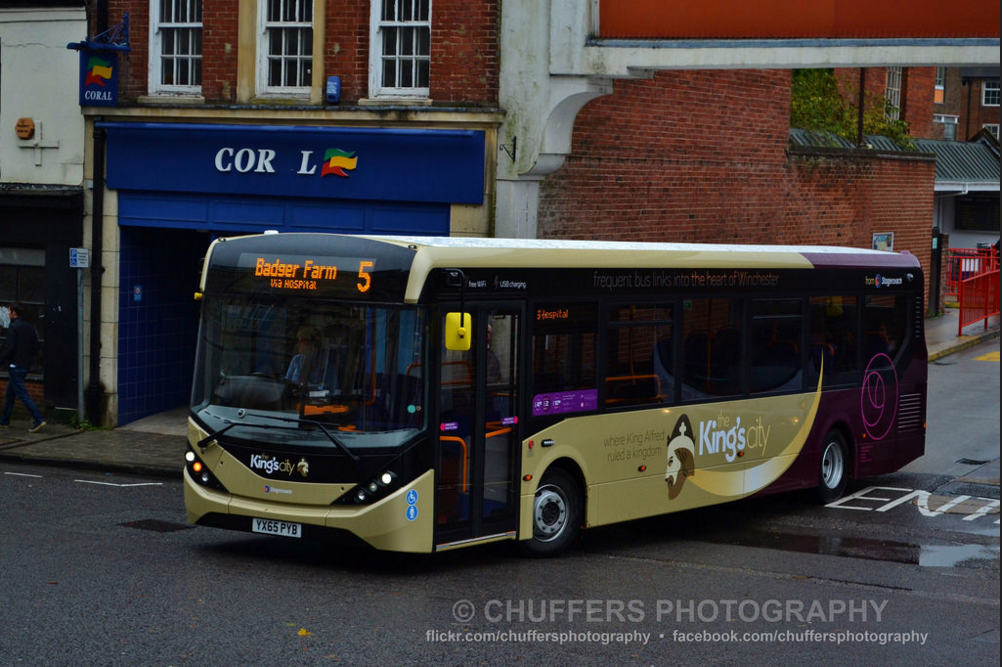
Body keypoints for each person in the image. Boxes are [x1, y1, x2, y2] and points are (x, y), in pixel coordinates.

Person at [0, 303, 46, 433]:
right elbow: (36, 346)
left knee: (22, 394)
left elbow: (9, 347)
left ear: (14, 312)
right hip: (25, 366)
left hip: (15, 365)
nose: (8, 313)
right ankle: (4, 420)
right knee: (10, 393)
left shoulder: (13, 327)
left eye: (9, 311)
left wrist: (1, 361)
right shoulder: (29, 327)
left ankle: (38, 419)